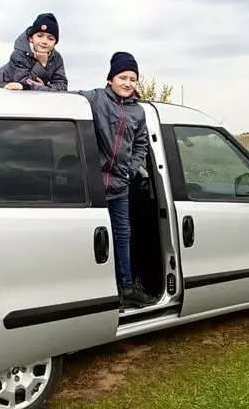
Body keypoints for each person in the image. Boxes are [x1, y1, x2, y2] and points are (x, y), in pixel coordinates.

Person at [73, 52, 157, 308]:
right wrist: (31, 86)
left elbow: (141, 144)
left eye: (133, 78)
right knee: (93, 240)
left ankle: (127, 287)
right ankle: (95, 290)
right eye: (123, 77)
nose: (128, 82)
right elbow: (65, 98)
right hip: (93, 188)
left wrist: (130, 172)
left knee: (123, 236)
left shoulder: (138, 112)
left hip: (120, 188)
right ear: (111, 78)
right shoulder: (96, 99)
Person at [0, 13, 68, 91]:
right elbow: (20, 84)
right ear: (31, 38)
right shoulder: (18, 55)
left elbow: (62, 86)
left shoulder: (56, 58)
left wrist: (42, 87)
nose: (44, 41)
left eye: (50, 38)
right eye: (40, 36)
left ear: (55, 43)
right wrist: (42, 64)